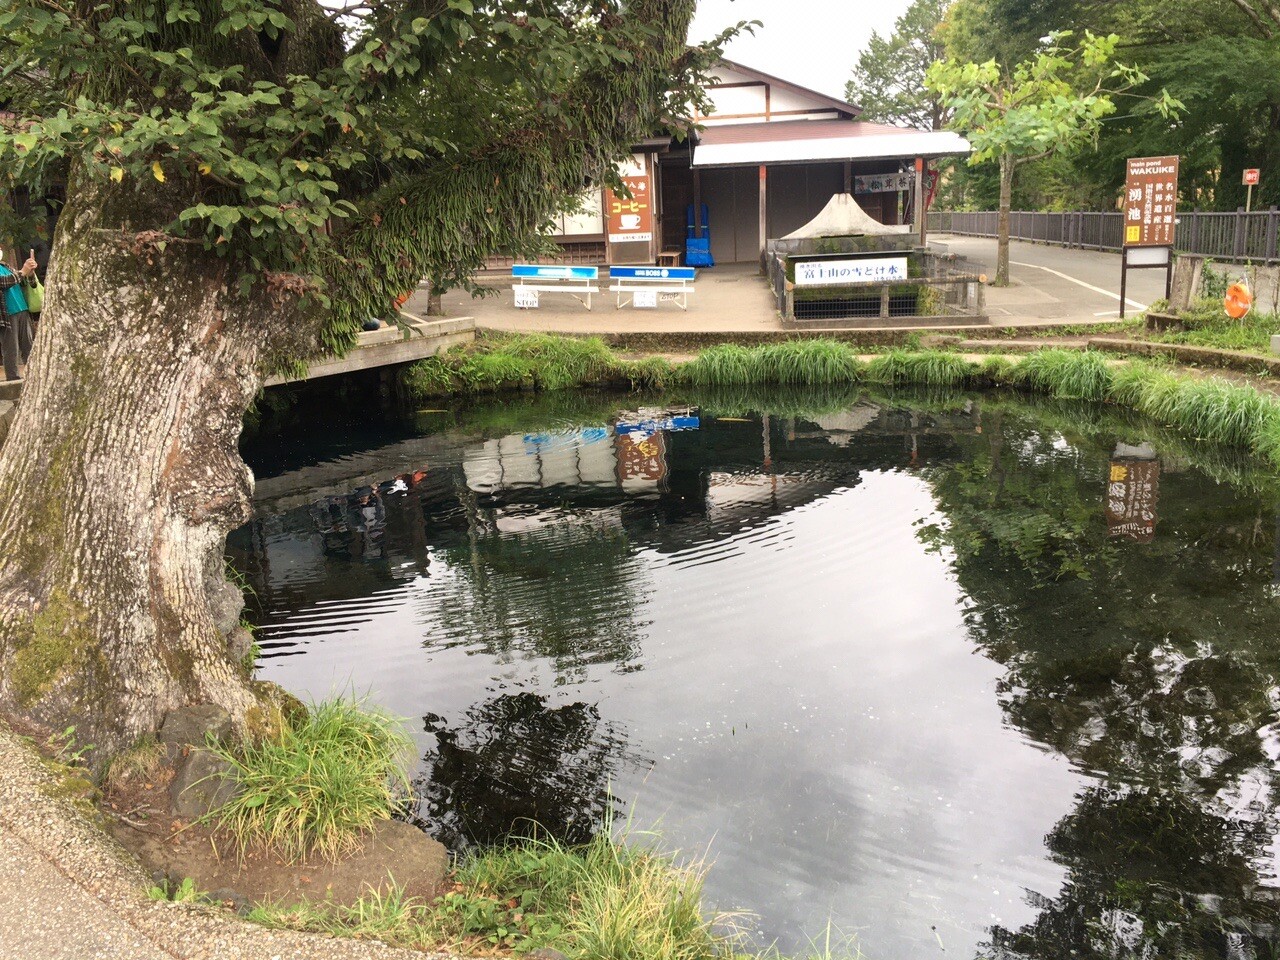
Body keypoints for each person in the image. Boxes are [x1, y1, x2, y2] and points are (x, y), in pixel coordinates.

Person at [0, 249, 38, 381]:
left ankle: (35, 375)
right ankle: (13, 378)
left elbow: (27, 283)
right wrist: (23, 271)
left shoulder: (5, 266)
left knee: (29, 345)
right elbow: (5, 282)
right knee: (11, 349)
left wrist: (30, 273)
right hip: (6, 315)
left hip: (22, 309)